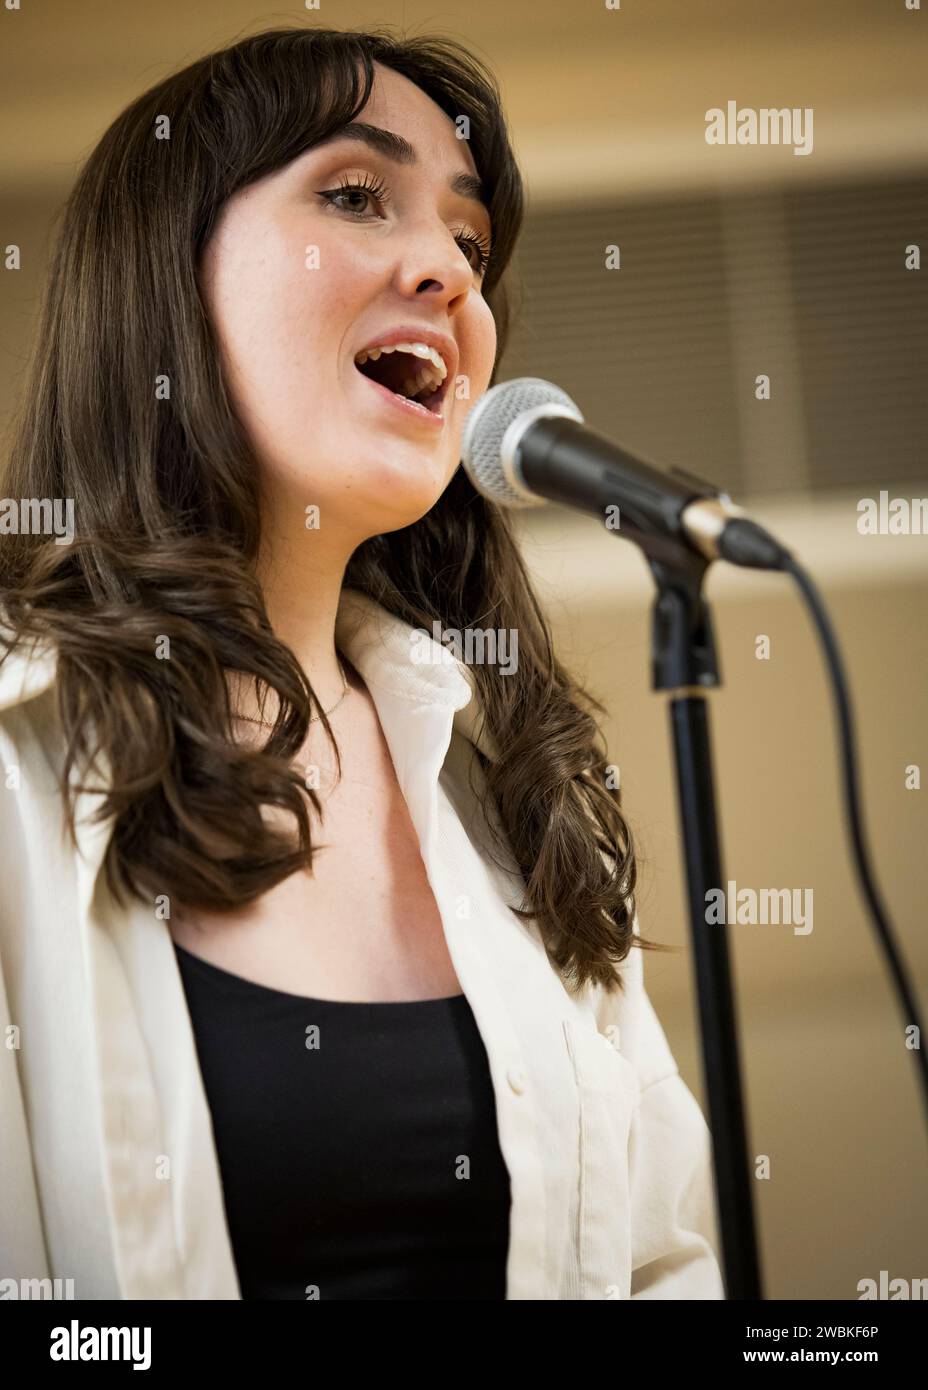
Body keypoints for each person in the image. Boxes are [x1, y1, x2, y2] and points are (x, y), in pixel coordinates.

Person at [0, 25, 723, 1300]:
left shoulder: (507, 787)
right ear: (161, 279)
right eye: (352, 194)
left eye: (471, 242)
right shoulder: (17, 756)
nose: (447, 268)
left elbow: (667, 1259)